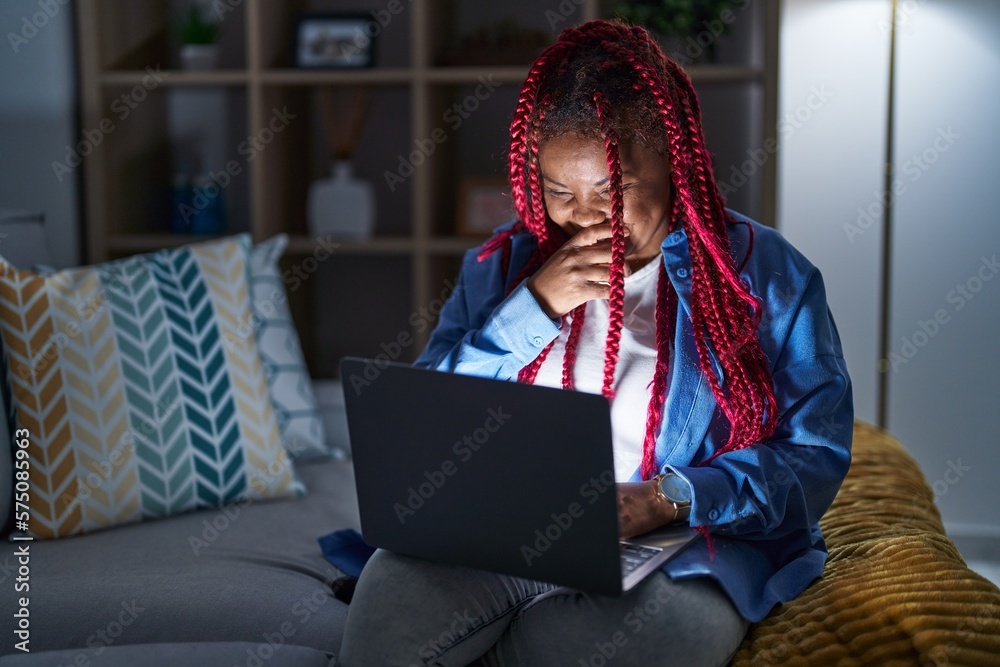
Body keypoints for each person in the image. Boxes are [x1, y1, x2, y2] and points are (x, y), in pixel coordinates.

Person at [338, 19, 852, 666]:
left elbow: (814, 456)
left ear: (673, 155)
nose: (584, 217)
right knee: (389, 596)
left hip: (679, 538)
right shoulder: (502, 267)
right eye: (560, 192)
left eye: (614, 191)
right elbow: (427, 418)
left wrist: (672, 494)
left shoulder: (766, 277)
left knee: (669, 634)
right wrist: (533, 308)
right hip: (507, 528)